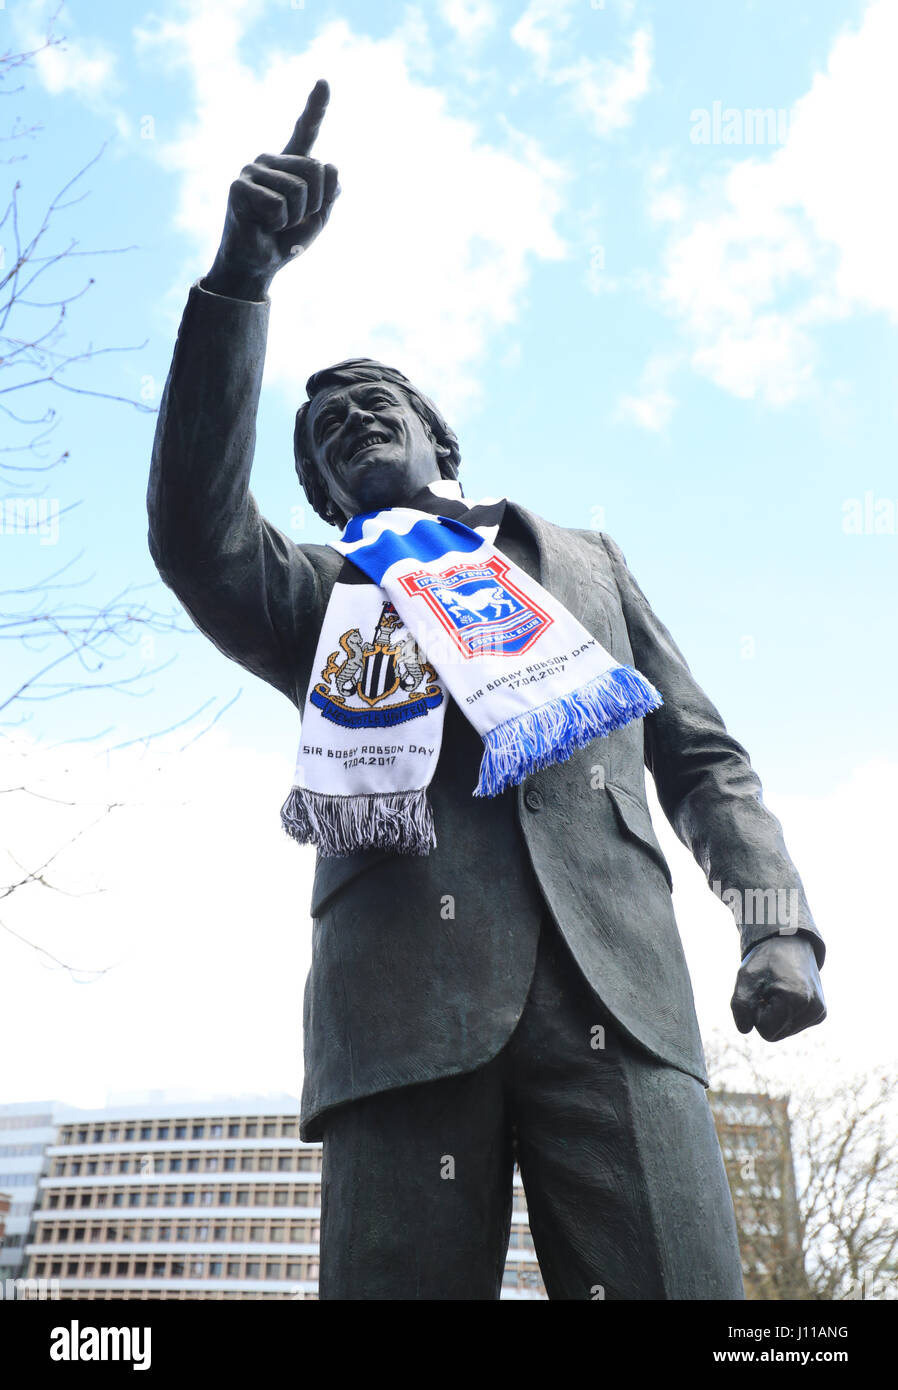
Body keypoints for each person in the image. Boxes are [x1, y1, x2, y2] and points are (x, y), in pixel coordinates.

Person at [147, 81, 826, 1300]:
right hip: (401, 1018)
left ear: (437, 438)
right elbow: (194, 536)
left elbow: (703, 759)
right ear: (319, 499)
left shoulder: (586, 563)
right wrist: (240, 281)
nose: (349, 424)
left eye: (374, 406)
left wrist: (776, 918)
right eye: (321, 442)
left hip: (621, 1000)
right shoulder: (317, 597)